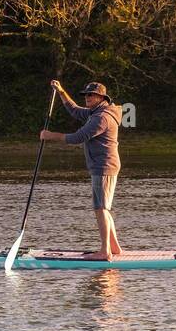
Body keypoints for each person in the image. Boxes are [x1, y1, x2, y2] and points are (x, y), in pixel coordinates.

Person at [39, 80, 122, 261]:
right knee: (103, 207)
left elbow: (78, 137)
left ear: (101, 98)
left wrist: (49, 135)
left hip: (104, 166)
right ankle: (114, 248)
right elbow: (75, 110)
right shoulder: (96, 112)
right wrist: (61, 91)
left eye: (91, 95)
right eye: (86, 95)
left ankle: (105, 252)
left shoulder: (102, 117)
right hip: (103, 165)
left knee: (100, 208)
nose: (87, 97)